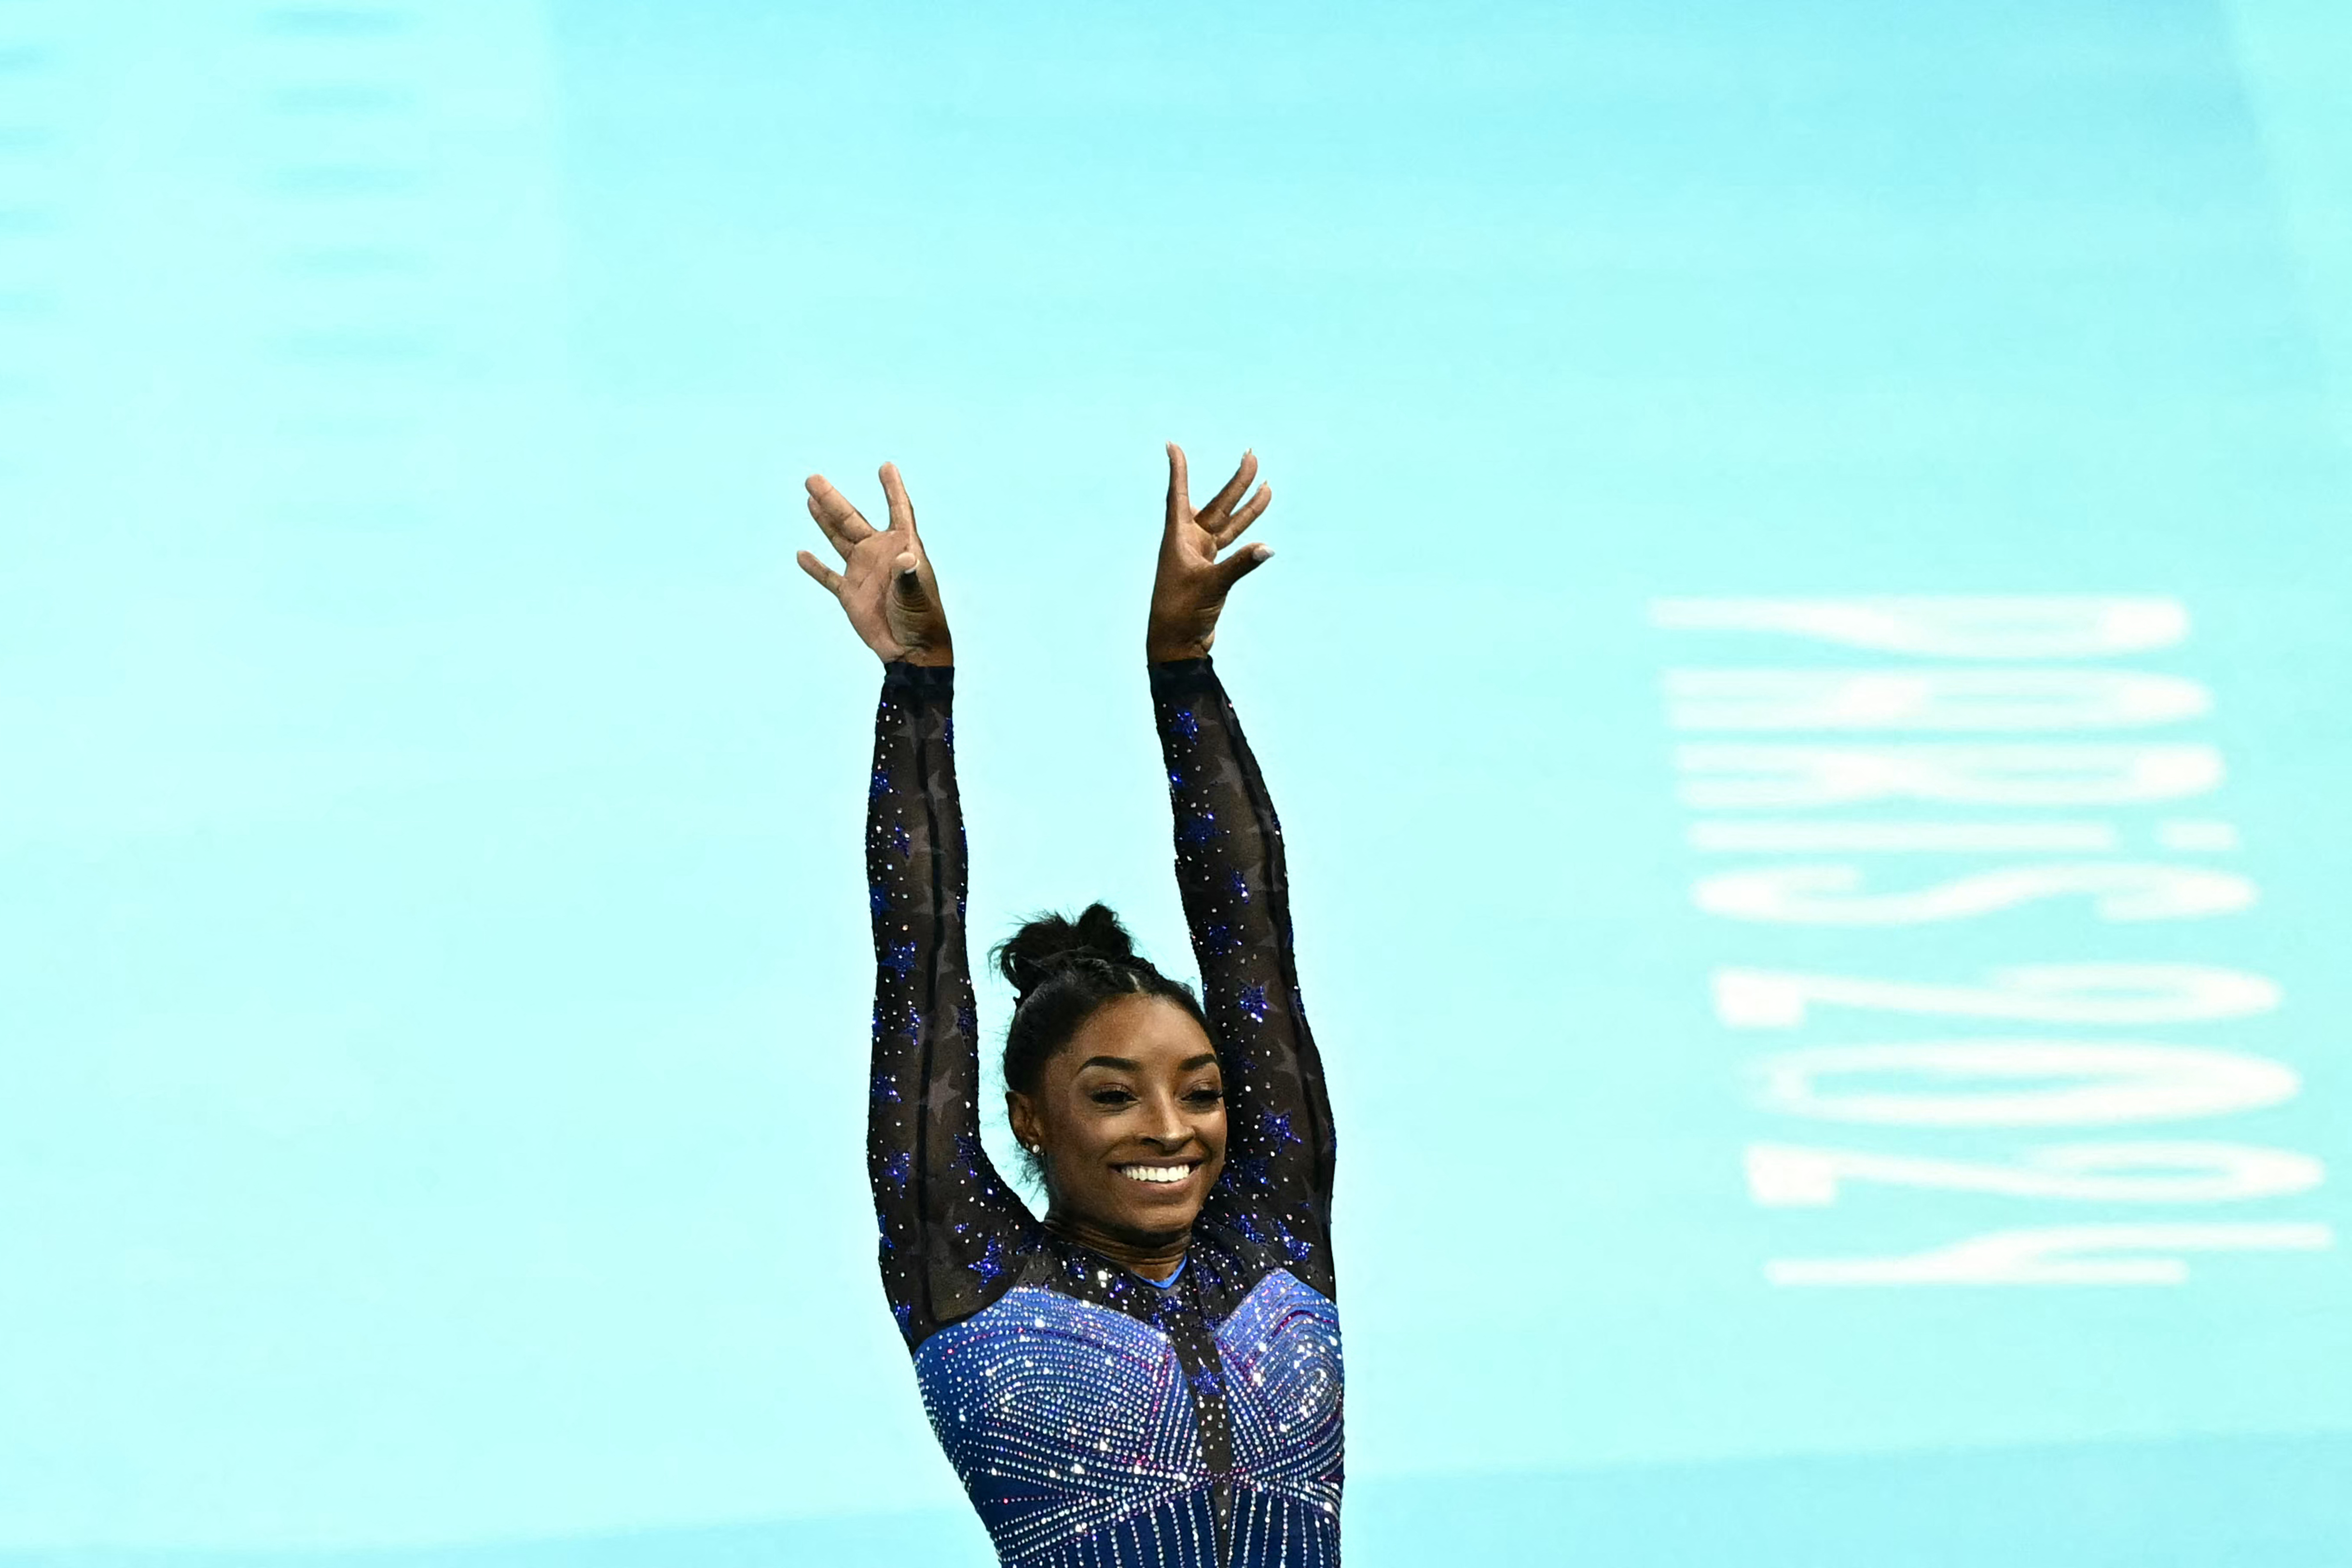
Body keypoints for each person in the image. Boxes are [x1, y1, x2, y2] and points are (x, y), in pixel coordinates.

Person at [794, 446, 1343, 1566]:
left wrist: (1185, 666)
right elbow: (922, 955)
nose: (1172, 1125)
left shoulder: (1272, 1238)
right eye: (1113, 1092)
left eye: (1201, 1089)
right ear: (1030, 1116)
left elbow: (1255, 944)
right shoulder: (975, 1271)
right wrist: (918, 683)